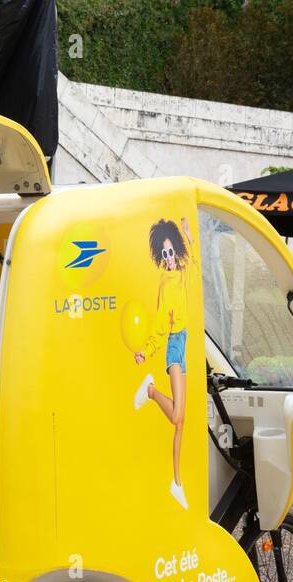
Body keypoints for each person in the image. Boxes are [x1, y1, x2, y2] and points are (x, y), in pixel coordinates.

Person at [133, 216, 192, 509]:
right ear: (161, 256)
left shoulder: (182, 272)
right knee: (176, 417)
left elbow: (191, 260)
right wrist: (146, 350)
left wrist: (186, 232)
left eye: (172, 252)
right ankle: (151, 391)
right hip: (173, 345)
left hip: (185, 343)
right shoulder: (166, 283)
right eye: (165, 254)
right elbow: (159, 323)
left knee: (180, 423)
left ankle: (177, 482)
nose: (169, 258)